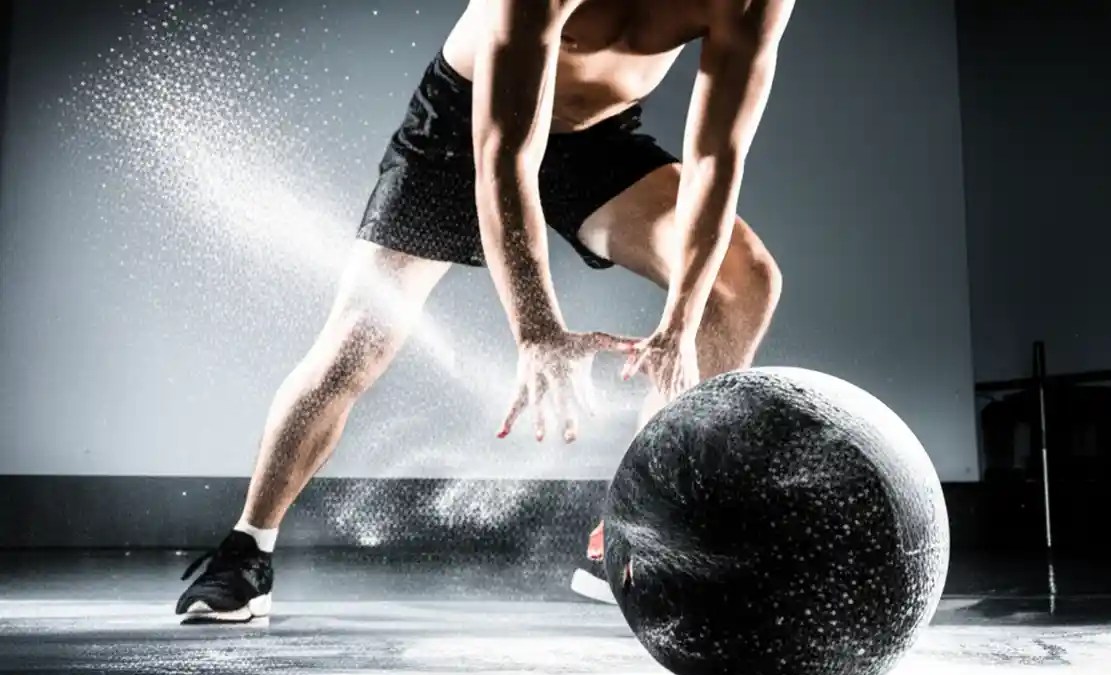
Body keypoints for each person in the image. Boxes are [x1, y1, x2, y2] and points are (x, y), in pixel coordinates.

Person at [176, 0, 792, 621]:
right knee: (355, 345)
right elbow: (504, 155)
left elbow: (717, 160)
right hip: (464, 126)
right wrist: (537, 329)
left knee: (743, 282)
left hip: (595, 140)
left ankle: (634, 531)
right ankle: (245, 551)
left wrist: (681, 325)